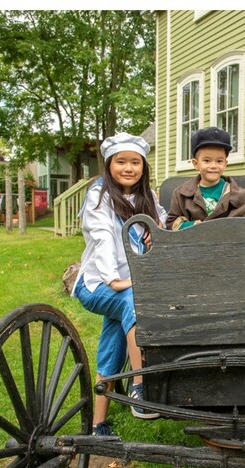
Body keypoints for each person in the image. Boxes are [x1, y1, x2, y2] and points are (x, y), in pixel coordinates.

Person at [71, 132, 166, 436]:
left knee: (113, 341)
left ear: (143, 166)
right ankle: (140, 385)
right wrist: (115, 280)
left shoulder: (148, 198)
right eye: (121, 162)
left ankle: (97, 424)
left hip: (129, 283)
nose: (128, 168)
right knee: (132, 302)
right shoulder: (99, 197)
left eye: (135, 162)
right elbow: (102, 239)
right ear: (109, 165)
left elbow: (161, 225)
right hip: (98, 283)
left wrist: (156, 231)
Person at [166, 127, 245, 230]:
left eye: (219, 161)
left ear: (225, 164)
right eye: (207, 161)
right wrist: (192, 227)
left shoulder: (238, 196)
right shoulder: (181, 194)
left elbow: (244, 227)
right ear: (196, 164)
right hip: (193, 239)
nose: (213, 166)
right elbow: (171, 222)